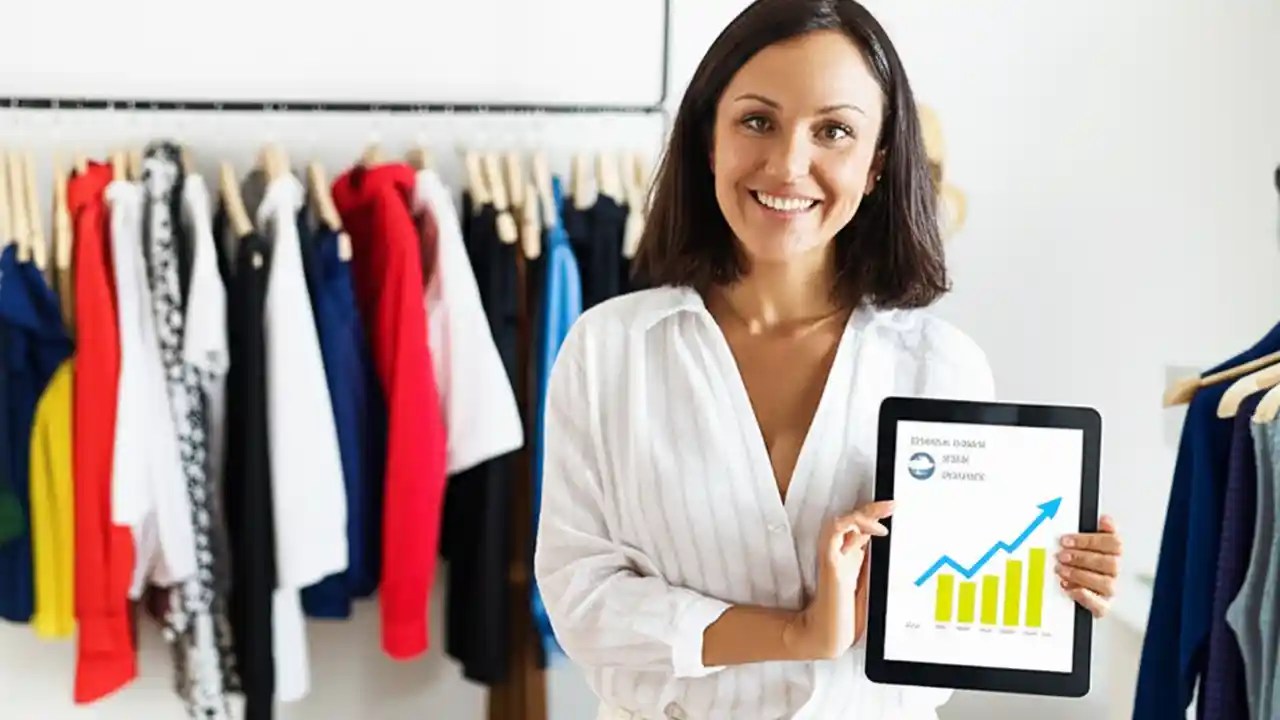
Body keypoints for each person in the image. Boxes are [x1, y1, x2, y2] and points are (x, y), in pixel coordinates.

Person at [533, 0, 1125, 718]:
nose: (788, 165)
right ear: (708, 141)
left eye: (833, 131)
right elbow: (580, 598)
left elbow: (945, 628)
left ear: (877, 164)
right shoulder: (608, 351)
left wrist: (1054, 579)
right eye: (757, 121)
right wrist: (795, 634)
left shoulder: (942, 367)